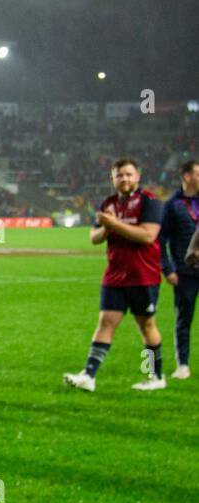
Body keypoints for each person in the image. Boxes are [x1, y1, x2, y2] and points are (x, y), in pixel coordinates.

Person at [64, 158, 166, 392]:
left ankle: (155, 376)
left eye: (129, 174)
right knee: (106, 323)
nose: (124, 179)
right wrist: (107, 226)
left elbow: (147, 236)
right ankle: (89, 375)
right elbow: (94, 238)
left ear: (137, 177)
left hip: (143, 275)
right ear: (113, 179)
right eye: (120, 175)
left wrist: (114, 224)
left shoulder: (150, 202)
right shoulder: (108, 203)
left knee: (147, 326)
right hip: (115, 276)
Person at [158, 160, 199, 379]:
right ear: (186, 176)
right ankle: (182, 364)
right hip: (185, 273)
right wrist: (168, 269)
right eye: (198, 174)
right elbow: (160, 239)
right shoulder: (172, 205)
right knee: (184, 319)